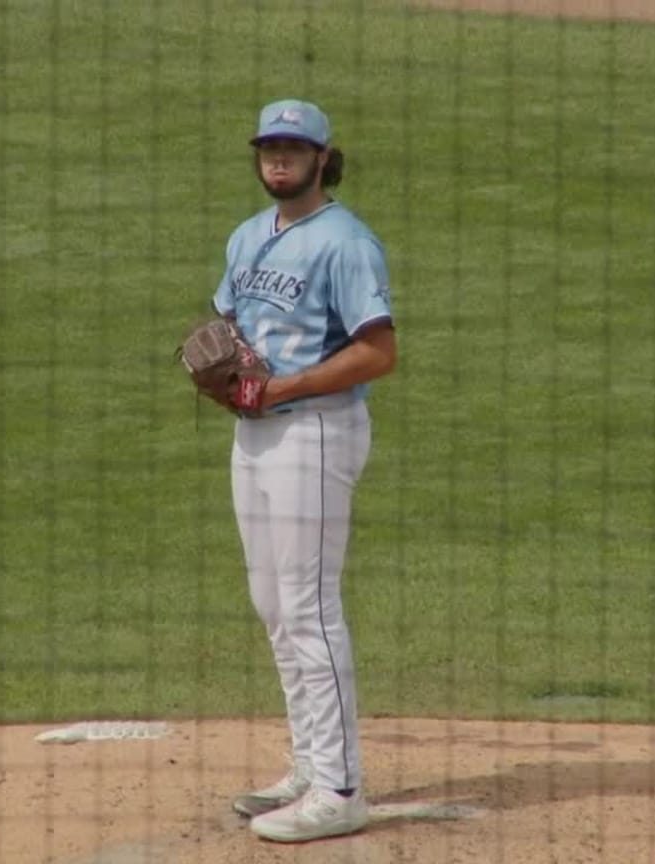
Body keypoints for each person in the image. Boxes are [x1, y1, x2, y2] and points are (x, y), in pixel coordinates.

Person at [210, 98, 396, 843]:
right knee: (273, 606)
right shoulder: (249, 237)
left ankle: (341, 789)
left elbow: (378, 352)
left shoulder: (347, 243)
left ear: (324, 157)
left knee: (309, 606)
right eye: (268, 148)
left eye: (293, 148)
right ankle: (311, 766)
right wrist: (228, 370)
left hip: (315, 434)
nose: (278, 160)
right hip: (254, 439)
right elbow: (227, 323)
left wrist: (280, 386)